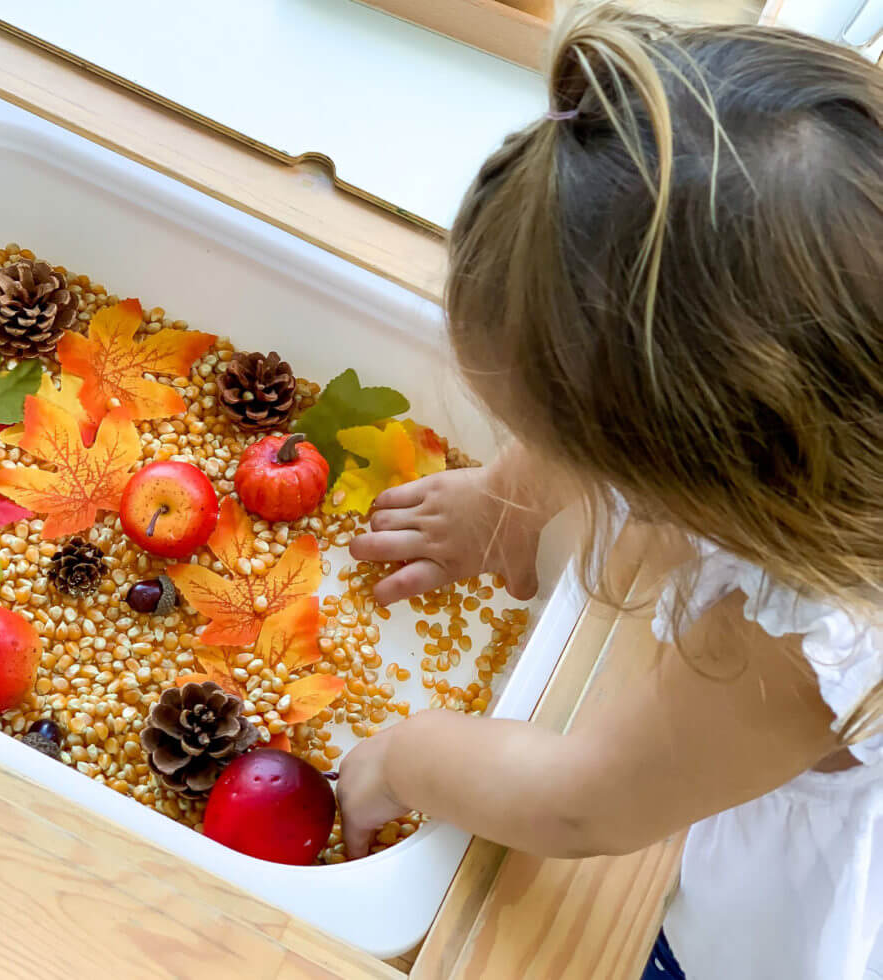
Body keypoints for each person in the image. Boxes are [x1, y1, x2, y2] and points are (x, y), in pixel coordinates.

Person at [335, 5, 883, 978]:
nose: (535, 453)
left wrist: (406, 753)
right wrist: (504, 498)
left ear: (697, 470)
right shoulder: (825, 359)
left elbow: (581, 801)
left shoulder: (794, 643)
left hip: (755, 930)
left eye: (549, 442)